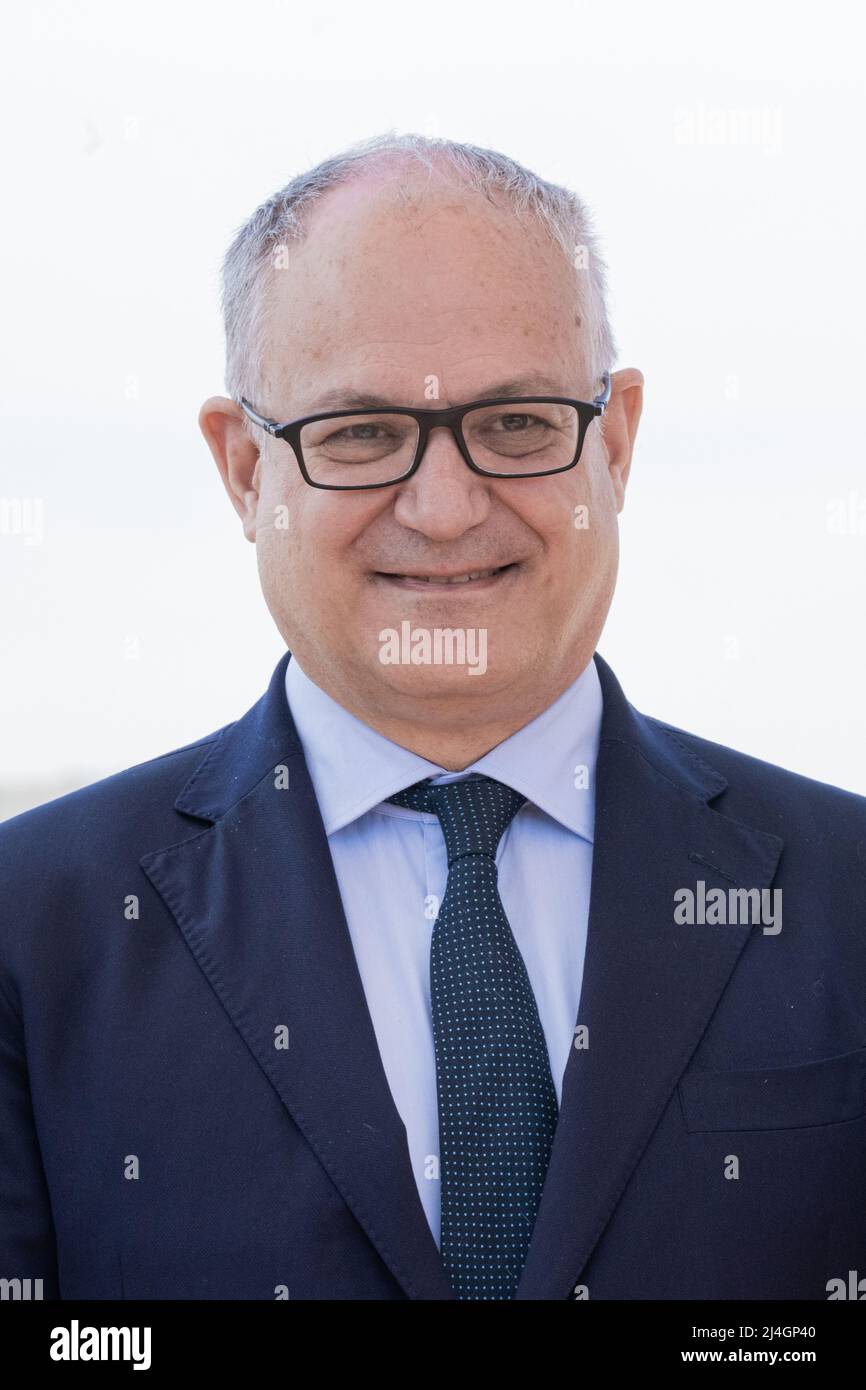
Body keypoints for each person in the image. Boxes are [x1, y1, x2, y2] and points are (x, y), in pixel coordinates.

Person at [2, 133, 864, 1302]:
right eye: (359, 434)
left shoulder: (844, 895)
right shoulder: (31, 933)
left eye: (514, 423)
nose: (446, 507)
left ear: (611, 442)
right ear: (245, 472)